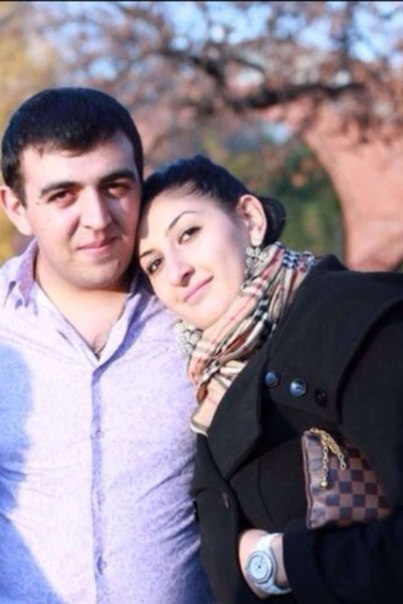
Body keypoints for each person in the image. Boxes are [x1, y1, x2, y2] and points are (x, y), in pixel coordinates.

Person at [138, 154, 403, 604]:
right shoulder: (210, 386)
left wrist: (281, 563)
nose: (177, 270)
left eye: (189, 233)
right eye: (154, 264)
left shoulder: (351, 318)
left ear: (249, 220)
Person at [0, 89, 214, 603]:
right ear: (17, 208)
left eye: (115, 186)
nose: (97, 217)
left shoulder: (205, 307)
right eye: (63, 195)